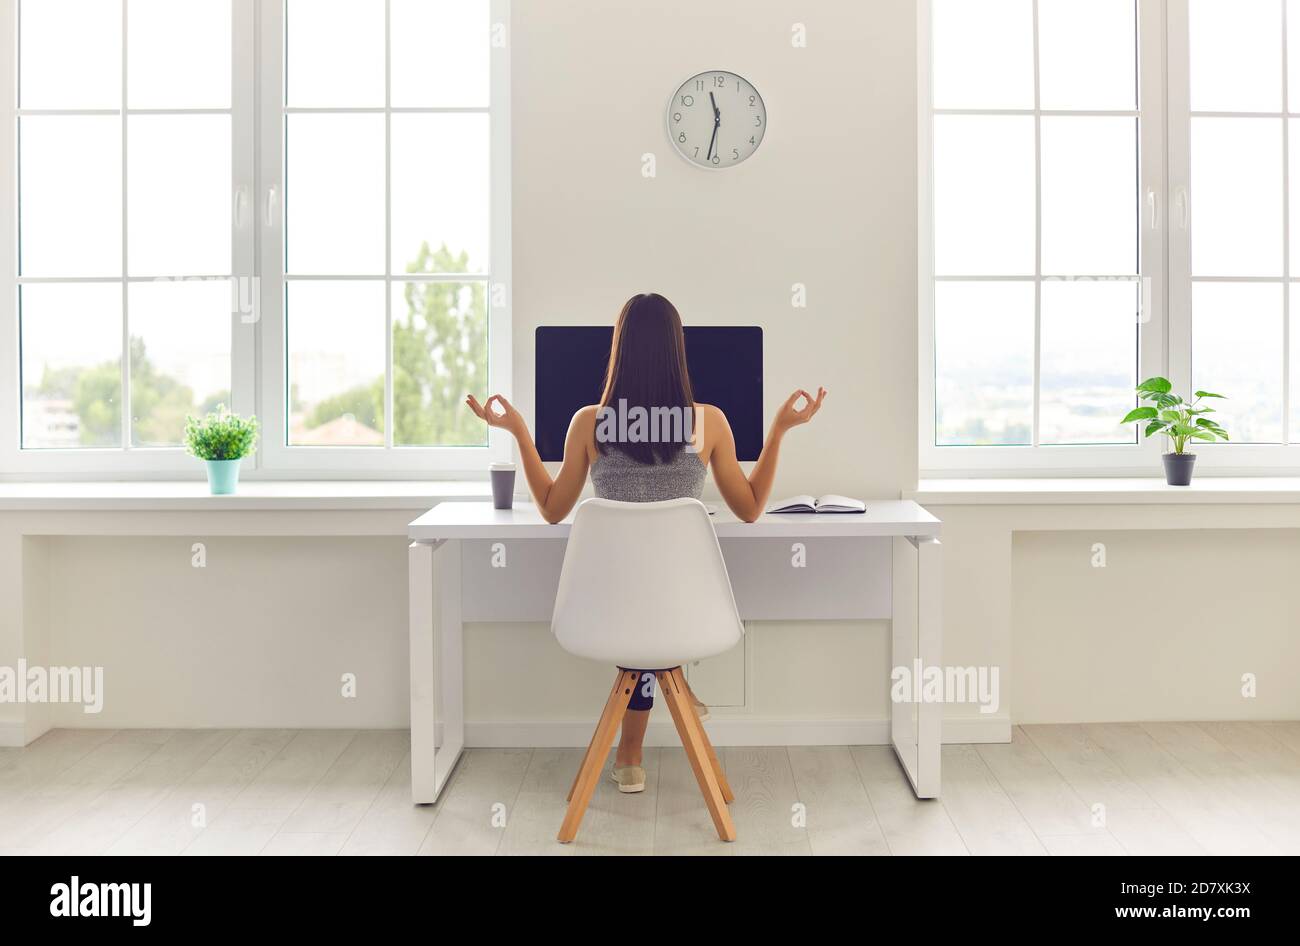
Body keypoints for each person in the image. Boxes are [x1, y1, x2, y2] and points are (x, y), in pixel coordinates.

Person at [466, 292, 826, 793]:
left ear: (619, 350)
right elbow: (748, 508)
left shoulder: (587, 423)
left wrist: (520, 434)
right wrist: (779, 433)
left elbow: (550, 510)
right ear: (678, 352)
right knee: (656, 615)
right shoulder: (711, 423)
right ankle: (668, 686)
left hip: (609, 607)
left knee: (641, 613)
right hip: (683, 609)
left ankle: (631, 755)